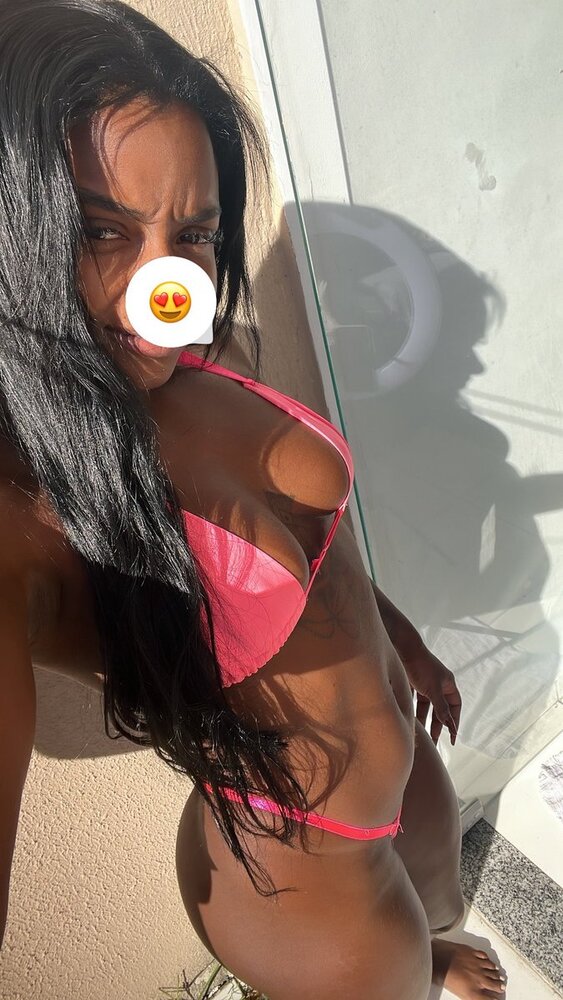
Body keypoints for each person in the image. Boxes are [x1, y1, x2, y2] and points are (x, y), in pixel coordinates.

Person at [0, 2, 507, 997]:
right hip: (301, 873)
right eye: (101, 229)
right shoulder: (22, 521)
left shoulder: (204, 349)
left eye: (191, 231)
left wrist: (403, 642)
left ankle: (436, 944)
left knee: (442, 906)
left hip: (403, 766)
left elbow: (320, 556)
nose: (168, 282)